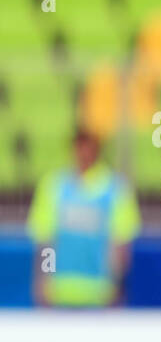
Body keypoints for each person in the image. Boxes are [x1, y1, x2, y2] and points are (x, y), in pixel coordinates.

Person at [27, 128, 140, 307]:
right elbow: (46, 240)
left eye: (88, 147)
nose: (84, 153)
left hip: (100, 291)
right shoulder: (53, 186)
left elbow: (120, 244)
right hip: (60, 290)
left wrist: (116, 284)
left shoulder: (116, 189)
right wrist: (44, 282)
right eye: (80, 147)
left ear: (98, 150)